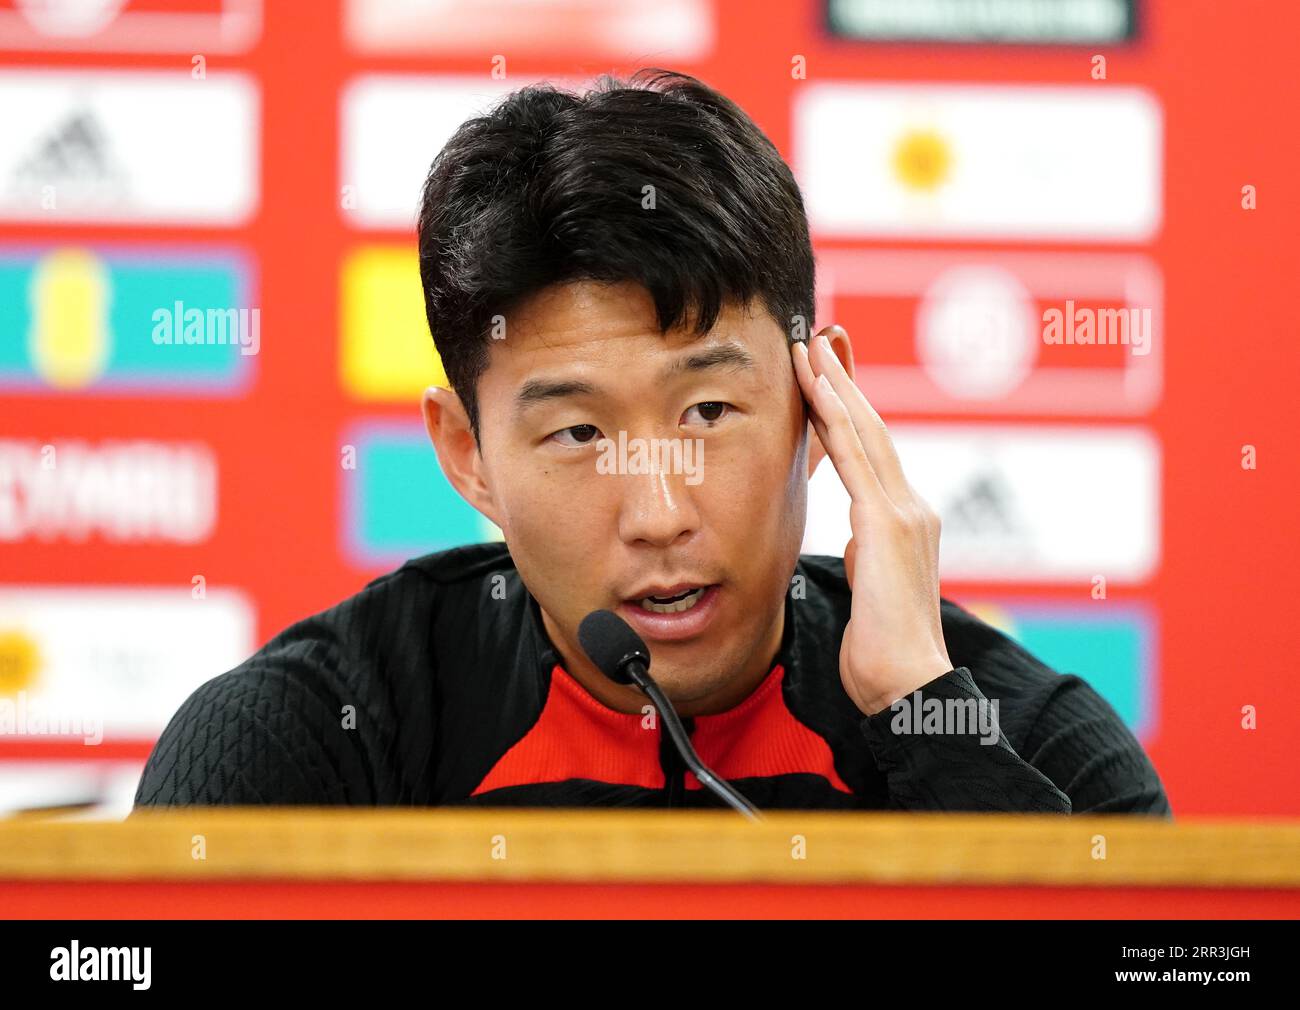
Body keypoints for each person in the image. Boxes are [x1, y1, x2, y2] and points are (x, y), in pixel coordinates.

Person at [134, 70, 1169, 814]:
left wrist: (918, 706)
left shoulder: (1033, 746)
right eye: (579, 431)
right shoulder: (300, 747)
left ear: (822, 402)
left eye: (707, 414)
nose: (660, 511)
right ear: (467, 455)